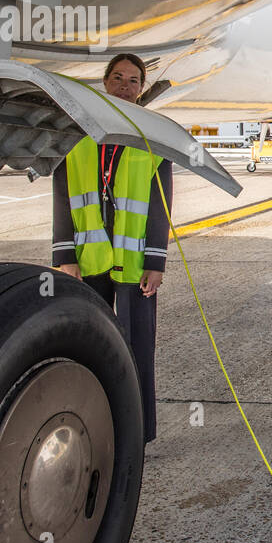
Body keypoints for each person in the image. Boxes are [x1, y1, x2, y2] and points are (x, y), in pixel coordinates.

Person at [51, 53, 172, 444]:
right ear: (105, 82)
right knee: (90, 340)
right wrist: (64, 255)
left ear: (141, 88)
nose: (125, 85)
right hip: (89, 258)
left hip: (134, 261)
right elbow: (62, 196)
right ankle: (95, 424)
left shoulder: (152, 134)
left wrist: (156, 260)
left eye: (134, 80)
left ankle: (138, 432)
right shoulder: (78, 132)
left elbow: (159, 202)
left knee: (138, 345)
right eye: (117, 77)